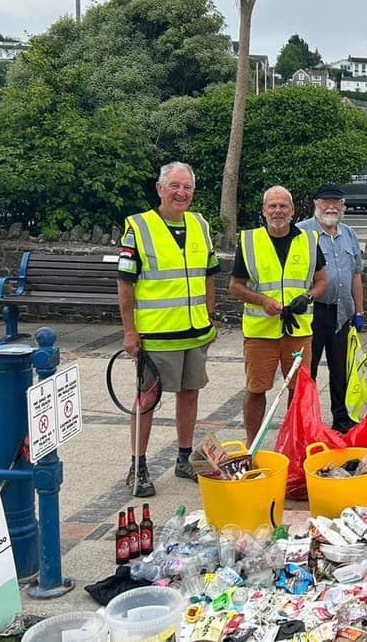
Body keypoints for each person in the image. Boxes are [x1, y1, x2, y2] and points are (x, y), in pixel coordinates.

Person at [117, 162, 219, 497]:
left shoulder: (200, 224)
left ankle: (184, 458)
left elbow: (209, 273)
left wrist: (210, 316)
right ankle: (137, 465)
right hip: (157, 335)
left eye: (187, 187)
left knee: (190, 394)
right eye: (174, 186)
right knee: (147, 400)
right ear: (160, 188)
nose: (181, 193)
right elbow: (125, 282)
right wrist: (130, 332)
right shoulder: (139, 227)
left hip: (194, 332)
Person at [229, 186, 327, 445]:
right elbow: (235, 286)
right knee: (256, 389)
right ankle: (252, 444)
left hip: (298, 330)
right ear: (264, 211)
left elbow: (321, 282)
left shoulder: (309, 240)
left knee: (298, 391)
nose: (277, 211)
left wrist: (307, 297)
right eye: (272, 206)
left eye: (283, 206)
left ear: (292, 211)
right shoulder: (250, 241)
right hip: (261, 330)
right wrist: (262, 300)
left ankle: (293, 442)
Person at [297, 184, 365, 433]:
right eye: (325, 202)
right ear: (316, 204)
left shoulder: (348, 233)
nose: (331, 206)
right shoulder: (302, 232)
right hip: (312, 312)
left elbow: (357, 275)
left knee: (340, 370)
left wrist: (359, 312)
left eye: (336, 202)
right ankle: (308, 420)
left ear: (343, 206)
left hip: (342, 312)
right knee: (308, 369)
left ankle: (341, 418)